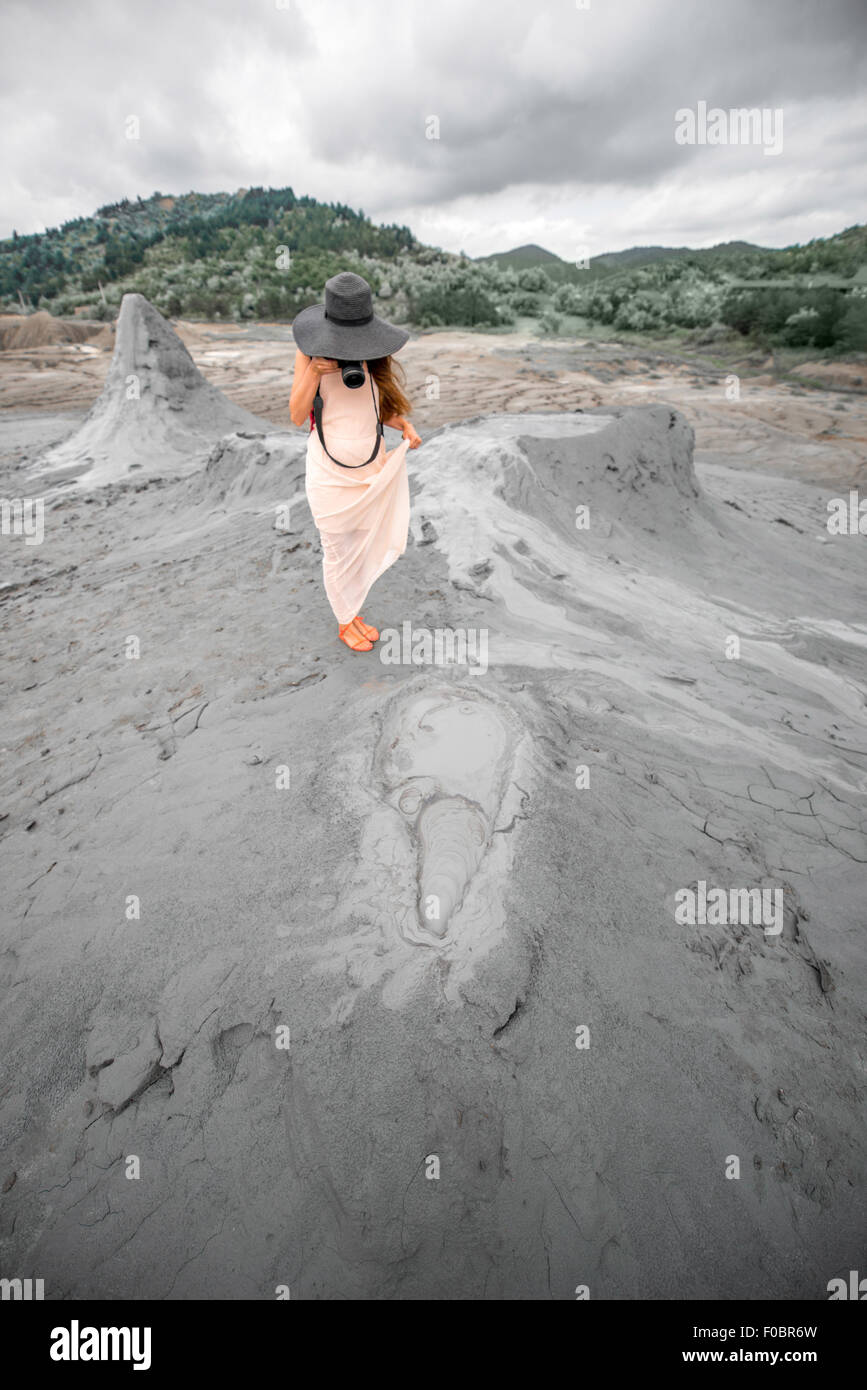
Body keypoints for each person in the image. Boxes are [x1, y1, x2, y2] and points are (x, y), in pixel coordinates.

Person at [290, 271, 421, 652]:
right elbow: (298, 415)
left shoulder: (372, 352)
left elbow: (376, 409)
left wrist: (405, 424)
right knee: (337, 546)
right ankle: (345, 621)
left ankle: (353, 610)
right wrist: (315, 370)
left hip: (370, 467)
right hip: (330, 472)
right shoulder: (309, 353)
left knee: (362, 543)